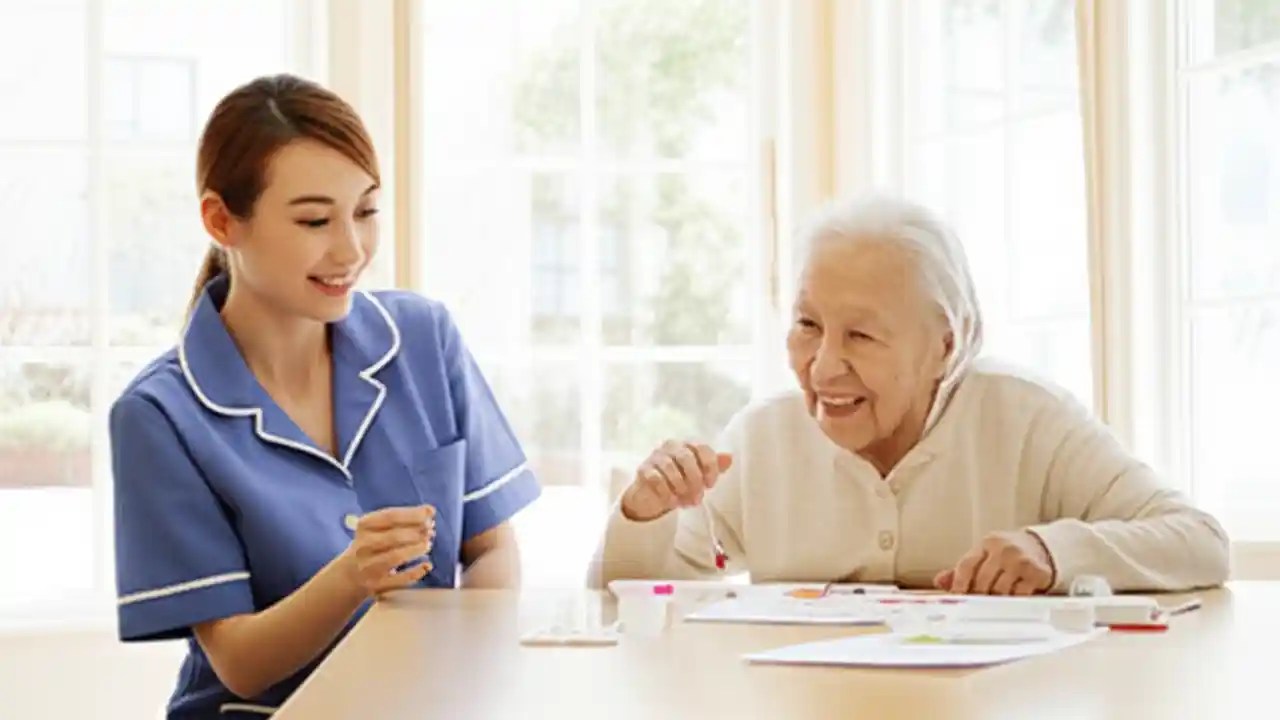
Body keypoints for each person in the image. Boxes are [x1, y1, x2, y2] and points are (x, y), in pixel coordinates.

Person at [109, 74, 541, 719]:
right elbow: (240, 662)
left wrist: (447, 678)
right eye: (314, 219)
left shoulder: (424, 340)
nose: (351, 250)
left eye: (365, 212)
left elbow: (492, 551)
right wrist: (351, 577)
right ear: (221, 220)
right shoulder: (160, 414)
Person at [593, 195, 1229, 596]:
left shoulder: (1028, 418)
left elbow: (1199, 541)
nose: (823, 366)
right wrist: (647, 514)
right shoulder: (764, 438)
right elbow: (627, 596)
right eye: (807, 325)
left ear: (945, 347)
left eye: (861, 335)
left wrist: (1052, 551)